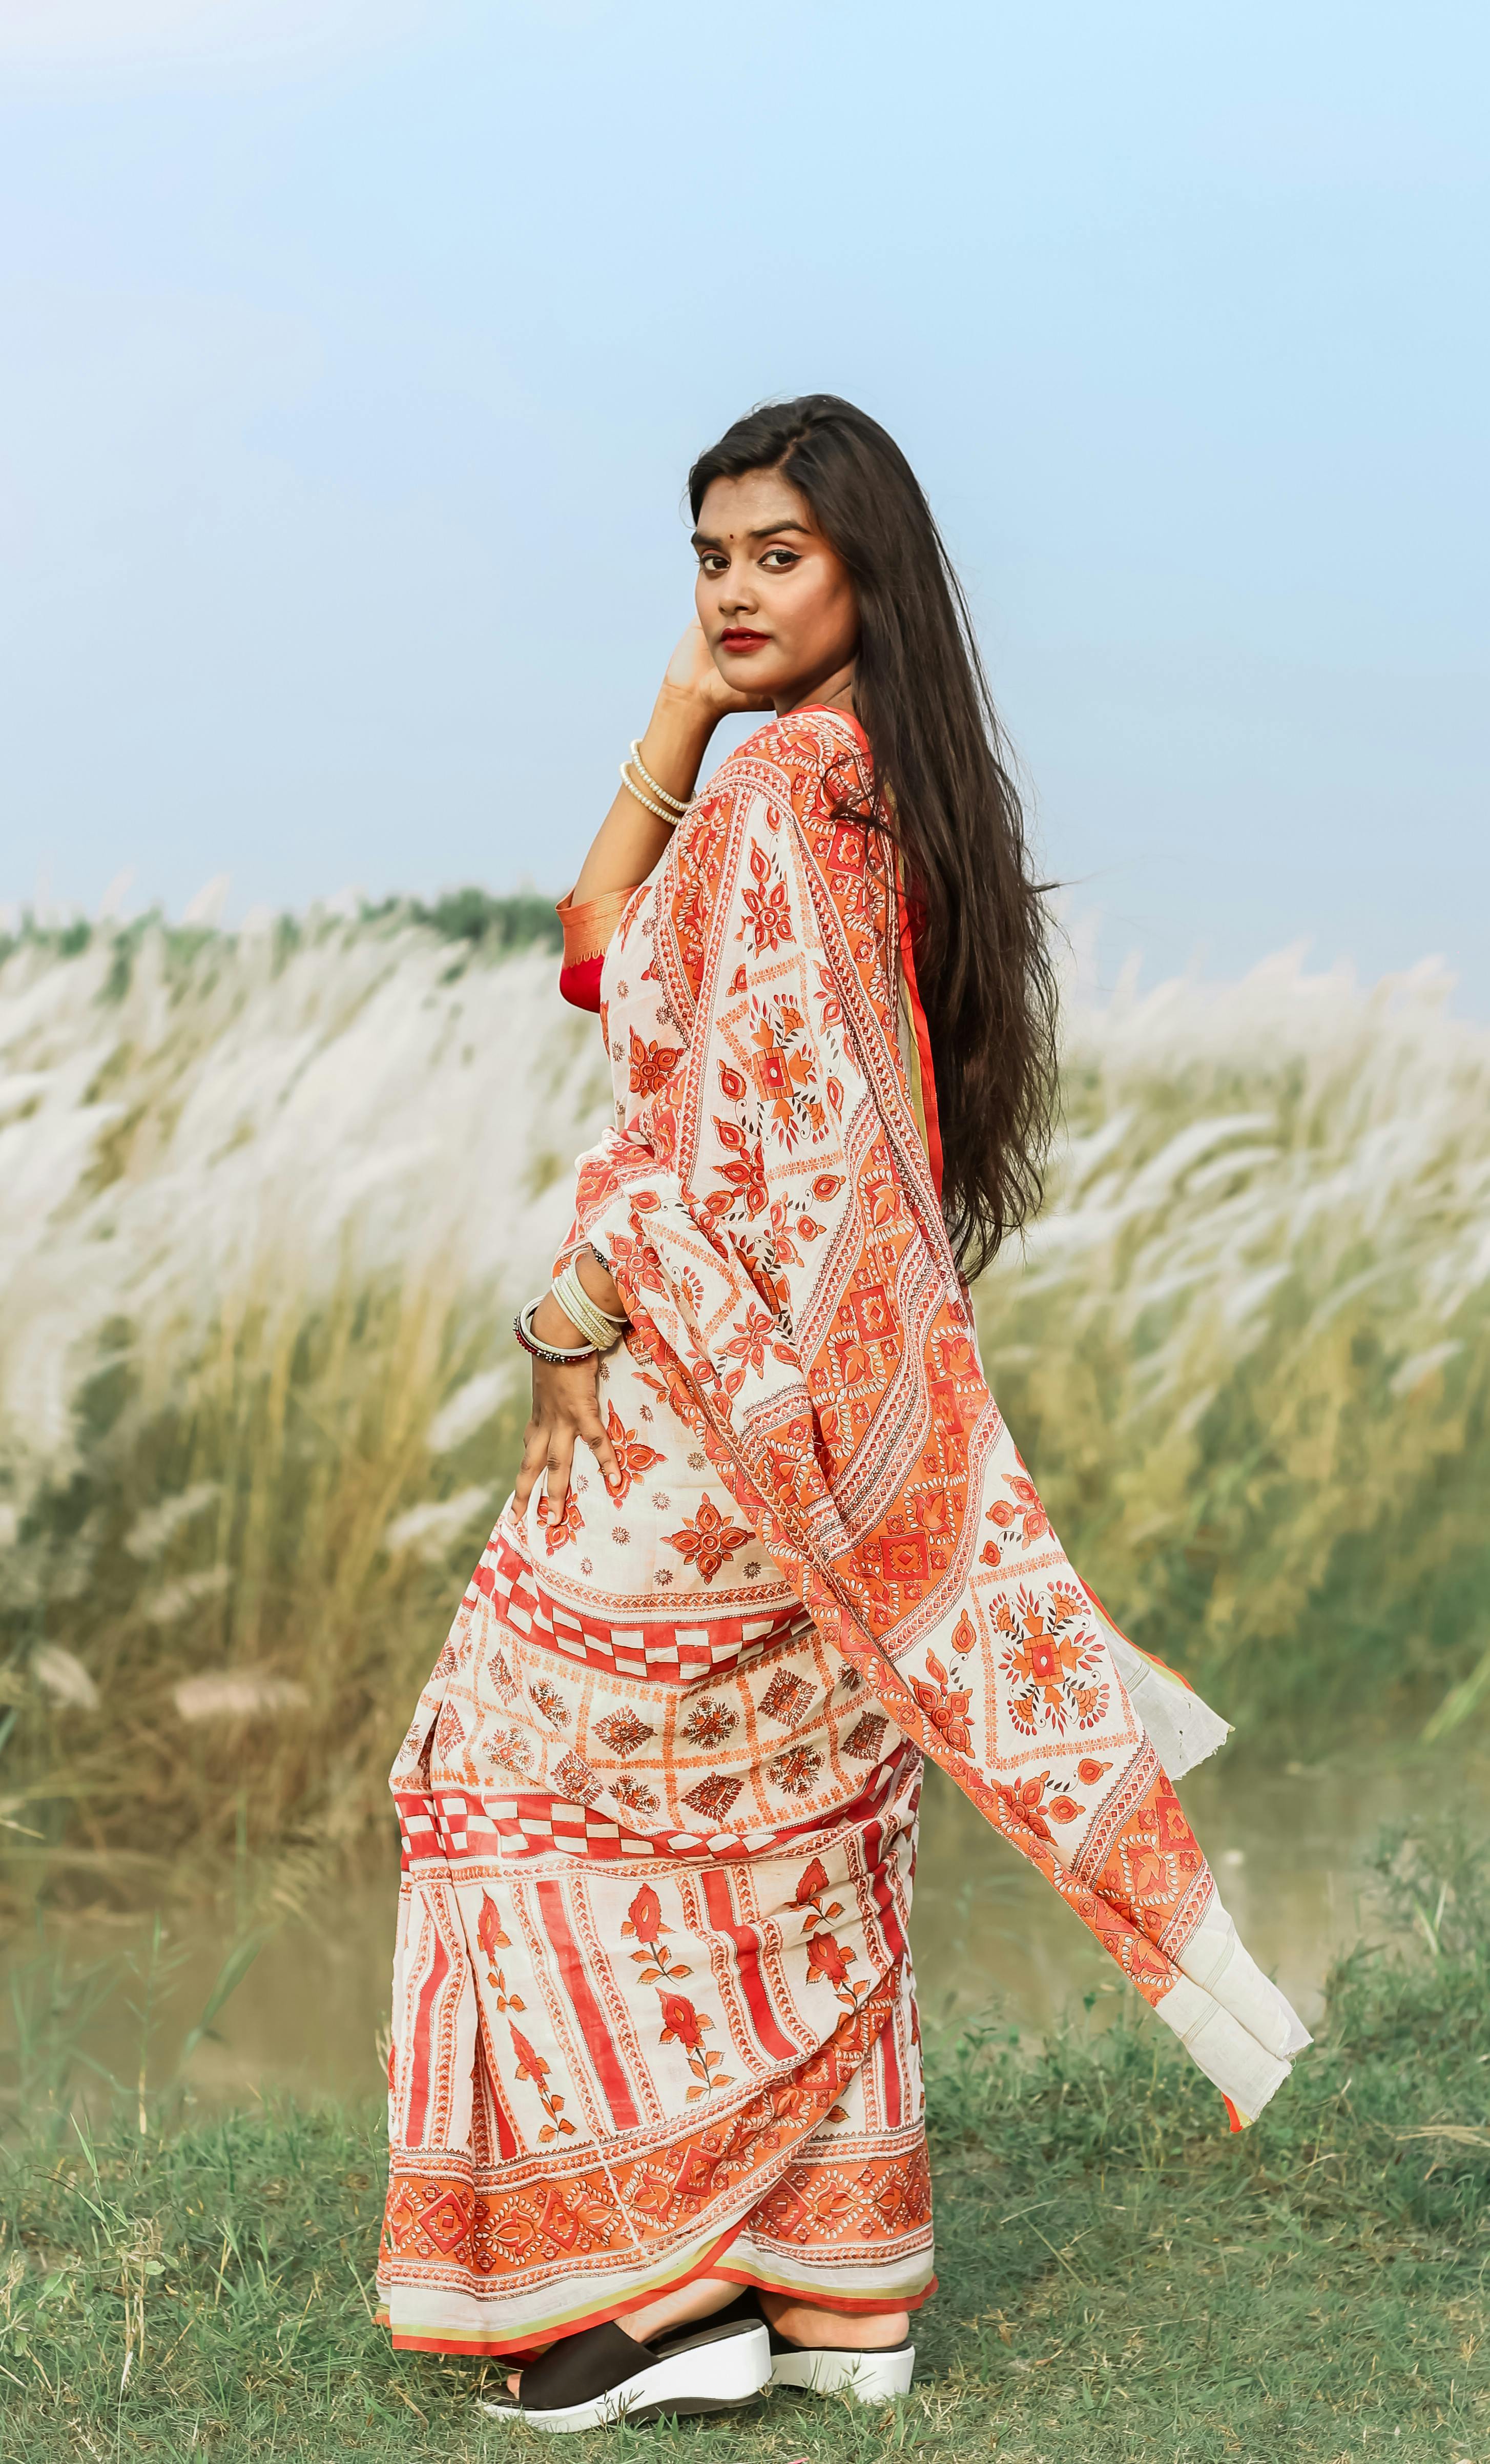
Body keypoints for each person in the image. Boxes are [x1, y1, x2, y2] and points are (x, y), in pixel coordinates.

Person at [376, 395, 1308, 2433]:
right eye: (708, 558)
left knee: (500, 1780)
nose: (730, 589)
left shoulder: (786, 793)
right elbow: (607, 956)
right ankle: (828, 2279)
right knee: (783, 1802)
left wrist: (571, 1313)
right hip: (811, 1410)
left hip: (699, 1396)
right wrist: (685, 700)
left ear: (866, 567)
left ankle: (638, 2300)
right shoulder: (882, 785)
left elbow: (719, 1132)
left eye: (776, 555)